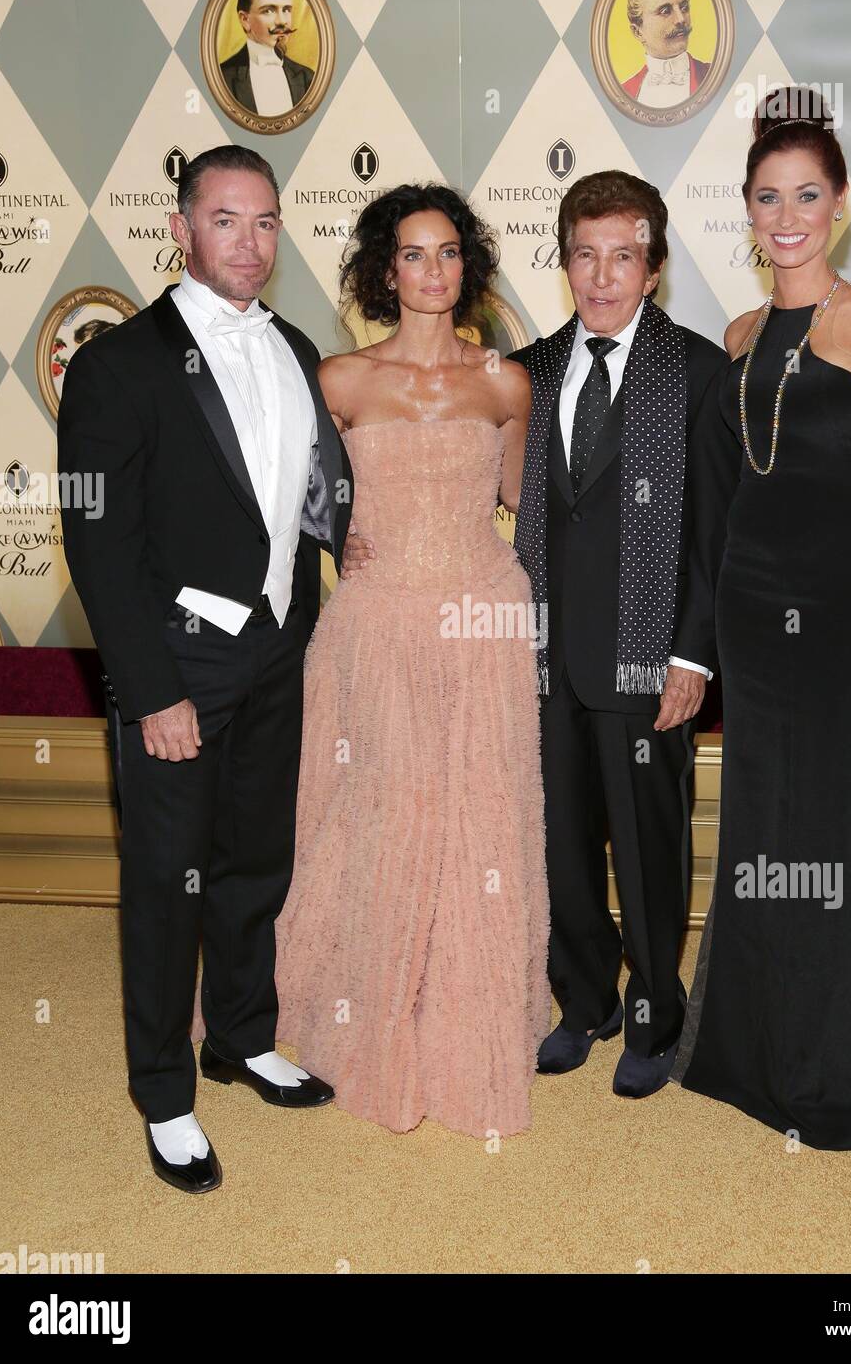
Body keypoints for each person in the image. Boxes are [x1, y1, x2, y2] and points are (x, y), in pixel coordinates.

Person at [58, 144, 352, 1194]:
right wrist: (149, 690)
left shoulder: (295, 345)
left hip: (276, 652)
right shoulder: (116, 363)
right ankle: (164, 1094)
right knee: (164, 882)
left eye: (266, 221)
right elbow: (97, 541)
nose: (250, 242)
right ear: (182, 229)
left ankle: (240, 1034)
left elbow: (308, 506)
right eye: (226, 220)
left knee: (251, 863)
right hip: (176, 667)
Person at [670, 89, 851, 1152]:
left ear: (836, 205)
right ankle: (749, 1051)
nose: (786, 214)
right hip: (751, 614)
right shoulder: (738, 334)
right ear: (745, 208)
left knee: (836, 828)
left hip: (844, 616)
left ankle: (833, 1074)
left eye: (806, 194)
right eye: (767, 195)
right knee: (760, 829)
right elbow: (732, 495)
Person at [271, 183, 551, 1138]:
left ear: (465, 265)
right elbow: (291, 504)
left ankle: (467, 1014)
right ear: (383, 271)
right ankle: (366, 1012)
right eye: (412, 254)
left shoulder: (506, 383)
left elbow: (524, 501)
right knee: (379, 815)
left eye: (447, 253)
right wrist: (335, 539)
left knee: (479, 819)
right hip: (379, 628)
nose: (431, 271)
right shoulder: (340, 381)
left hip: (484, 623)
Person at [509, 169, 729, 1099]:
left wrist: (691, 653)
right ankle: (583, 999)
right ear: (564, 261)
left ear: (655, 265)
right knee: (559, 845)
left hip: (648, 656)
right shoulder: (527, 369)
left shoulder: (699, 370)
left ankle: (653, 1015)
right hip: (544, 656)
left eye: (624, 256)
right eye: (586, 256)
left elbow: (718, 533)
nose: (603, 277)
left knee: (645, 849)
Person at [220, 0, 314, 116]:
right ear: (245, 20)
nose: (282, 21)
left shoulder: (307, 78)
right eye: (268, 11)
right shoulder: (222, 79)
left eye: (286, 10)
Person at [622, 0, 710, 107]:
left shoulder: (714, 76)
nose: (681, 19)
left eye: (684, 7)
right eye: (665, 11)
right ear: (638, 32)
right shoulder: (624, 94)